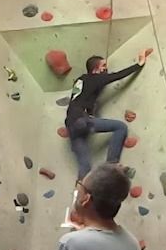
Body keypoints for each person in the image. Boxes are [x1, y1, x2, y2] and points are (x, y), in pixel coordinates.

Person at [65, 49, 151, 180]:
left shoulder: (80, 80)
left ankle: (79, 198)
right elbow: (117, 76)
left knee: (85, 168)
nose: (106, 69)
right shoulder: (95, 78)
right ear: (95, 69)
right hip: (81, 120)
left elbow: (80, 99)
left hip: (71, 126)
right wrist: (139, 64)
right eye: (103, 66)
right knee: (121, 127)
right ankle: (112, 165)